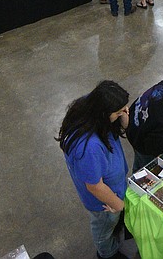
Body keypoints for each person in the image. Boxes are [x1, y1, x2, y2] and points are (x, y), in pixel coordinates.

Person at [56, 80, 130, 259]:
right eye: (118, 111)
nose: (123, 112)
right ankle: (108, 253)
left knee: (113, 224)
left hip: (114, 188)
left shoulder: (91, 105)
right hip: (104, 203)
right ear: (103, 113)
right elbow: (95, 186)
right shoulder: (90, 147)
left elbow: (123, 126)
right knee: (104, 230)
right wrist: (120, 206)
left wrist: (123, 114)